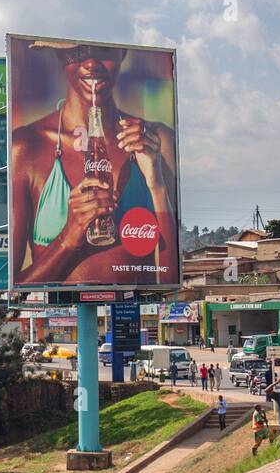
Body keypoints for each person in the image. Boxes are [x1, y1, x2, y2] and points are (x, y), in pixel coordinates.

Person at [9, 40, 179, 287]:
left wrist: (156, 185)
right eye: (76, 53)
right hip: (56, 323)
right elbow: (8, 290)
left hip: (133, 316)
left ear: (123, 52)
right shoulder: (26, 147)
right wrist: (69, 238)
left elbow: (169, 282)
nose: (90, 63)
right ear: (58, 56)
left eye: (104, 50)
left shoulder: (157, 141)